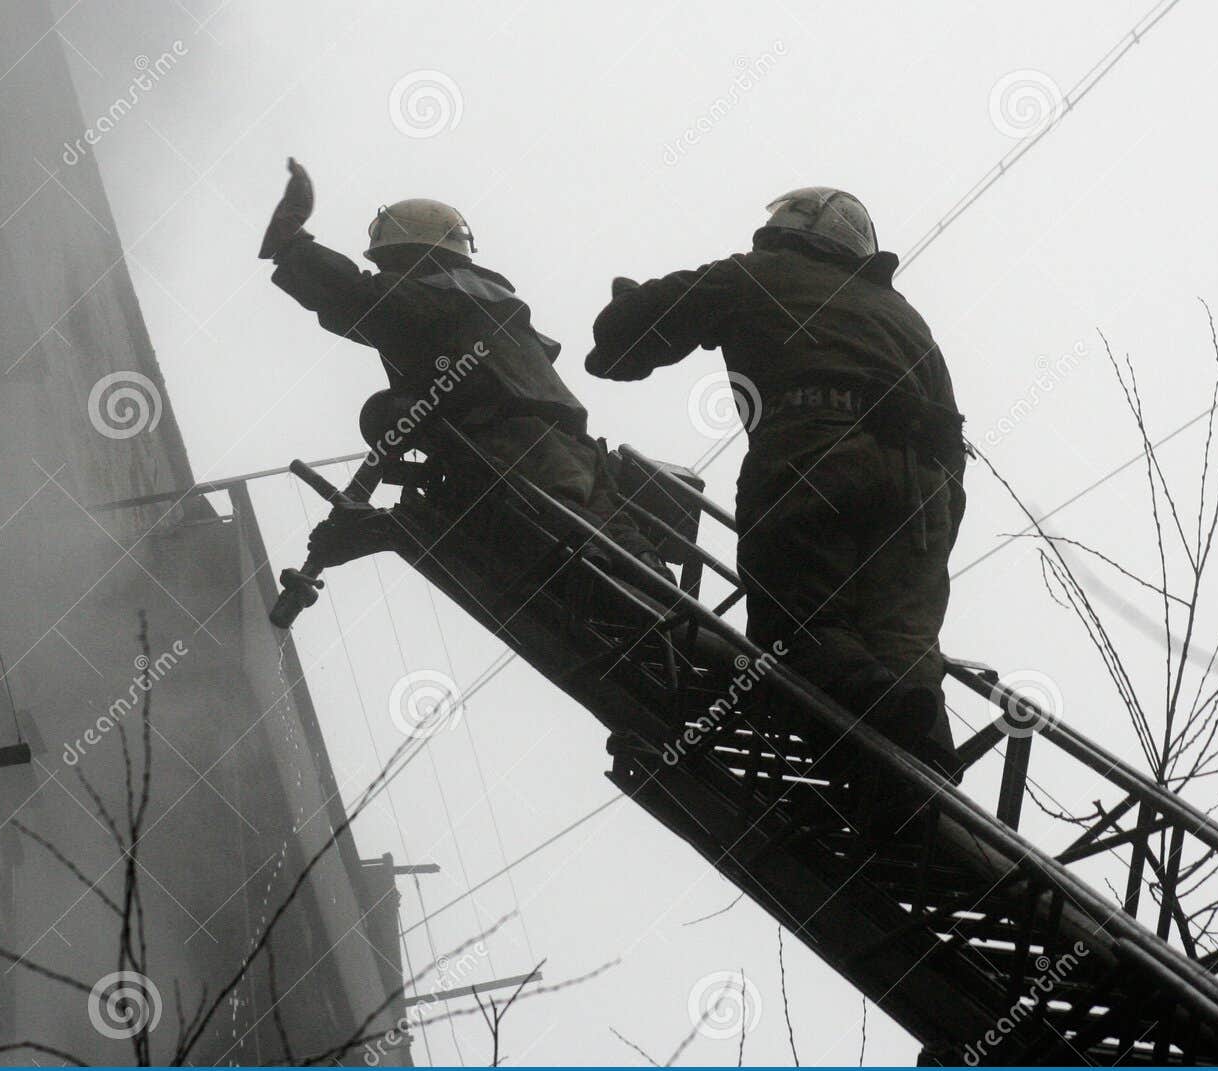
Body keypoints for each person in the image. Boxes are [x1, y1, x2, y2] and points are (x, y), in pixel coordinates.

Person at [584, 187, 966, 762]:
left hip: (818, 451)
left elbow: (622, 345)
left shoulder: (757, 275)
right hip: (927, 492)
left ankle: (879, 701)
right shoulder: (907, 319)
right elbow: (953, 442)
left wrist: (627, 305)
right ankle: (926, 772)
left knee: (795, 625)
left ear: (789, 228)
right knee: (906, 646)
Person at [258, 158, 664, 576]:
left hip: (518, 442)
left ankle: (606, 581)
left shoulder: (442, 296)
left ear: (410, 255)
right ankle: (652, 588)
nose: (384, 275)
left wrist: (293, 248)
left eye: (388, 265)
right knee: (618, 536)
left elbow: (360, 298)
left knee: (571, 536)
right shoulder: (493, 303)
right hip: (575, 448)